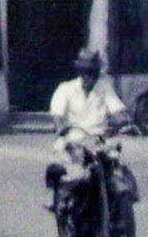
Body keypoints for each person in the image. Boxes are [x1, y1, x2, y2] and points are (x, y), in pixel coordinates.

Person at [43, 49, 129, 210]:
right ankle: (56, 197)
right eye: (86, 71)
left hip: (99, 139)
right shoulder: (65, 88)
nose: (89, 76)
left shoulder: (104, 88)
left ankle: (121, 207)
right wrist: (61, 127)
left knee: (119, 169)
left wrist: (121, 121)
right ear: (80, 71)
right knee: (66, 170)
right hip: (73, 138)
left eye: (93, 72)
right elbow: (58, 115)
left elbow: (117, 110)